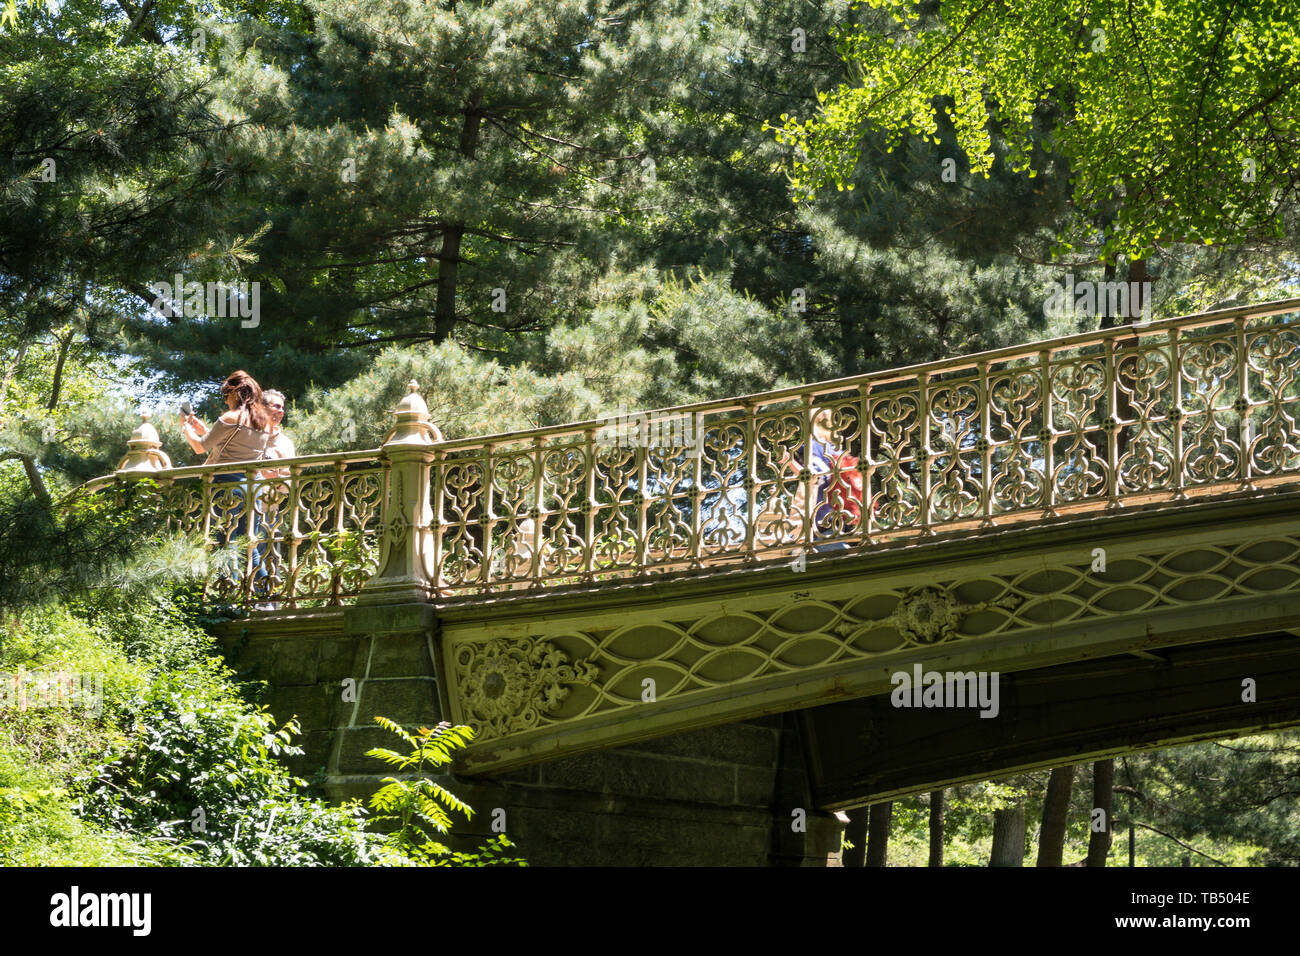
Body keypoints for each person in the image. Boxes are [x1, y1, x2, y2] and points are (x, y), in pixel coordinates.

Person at [180, 370, 276, 600]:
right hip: (253, 486)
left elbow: (200, 447)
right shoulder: (264, 421)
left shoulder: (230, 417)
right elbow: (234, 447)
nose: (225, 399)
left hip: (228, 487)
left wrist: (186, 428)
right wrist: (203, 429)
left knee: (228, 541)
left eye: (226, 394)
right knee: (248, 541)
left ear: (235, 392)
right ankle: (262, 594)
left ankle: (239, 595)